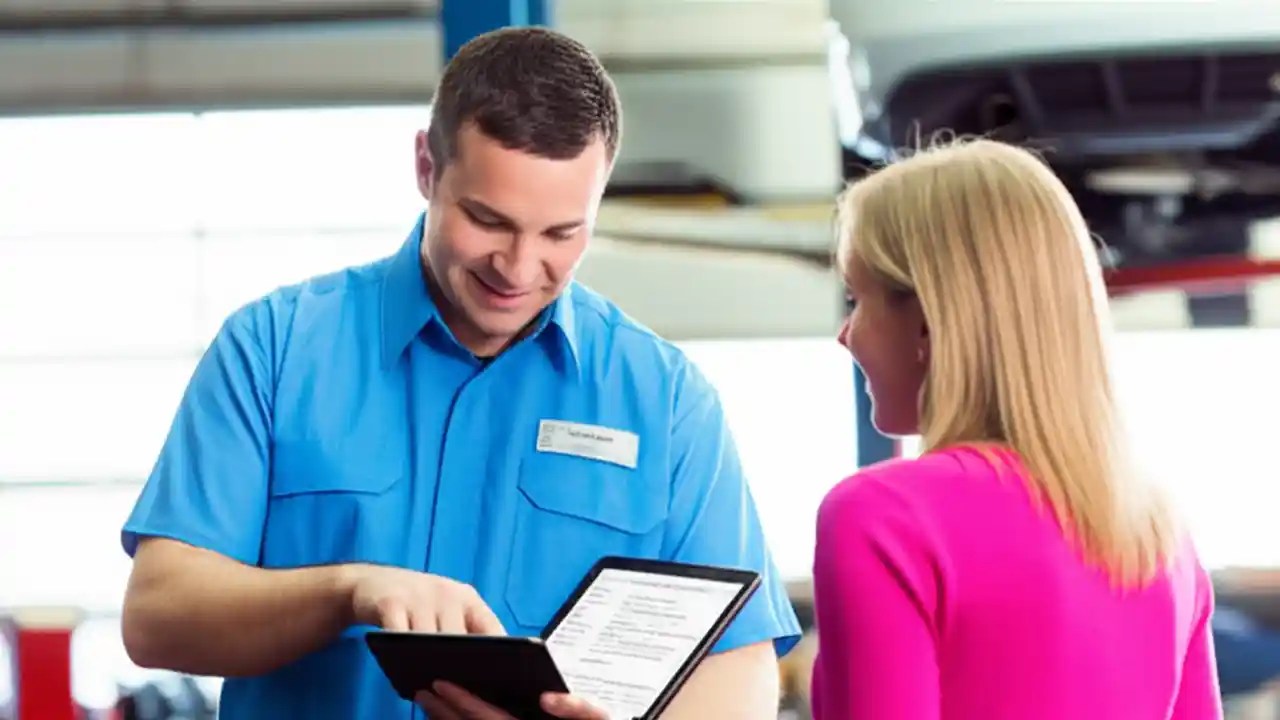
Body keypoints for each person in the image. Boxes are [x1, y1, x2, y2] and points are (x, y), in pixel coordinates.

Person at [119, 26, 800, 720]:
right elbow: (158, 614)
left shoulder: (666, 400)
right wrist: (345, 591)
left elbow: (738, 677)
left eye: (562, 234)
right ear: (426, 167)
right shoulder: (274, 350)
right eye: (486, 219)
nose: (517, 266)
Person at [811, 138, 1222, 719]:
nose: (845, 334)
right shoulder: (1161, 534)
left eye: (858, 299)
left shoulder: (881, 516)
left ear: (929, 322)